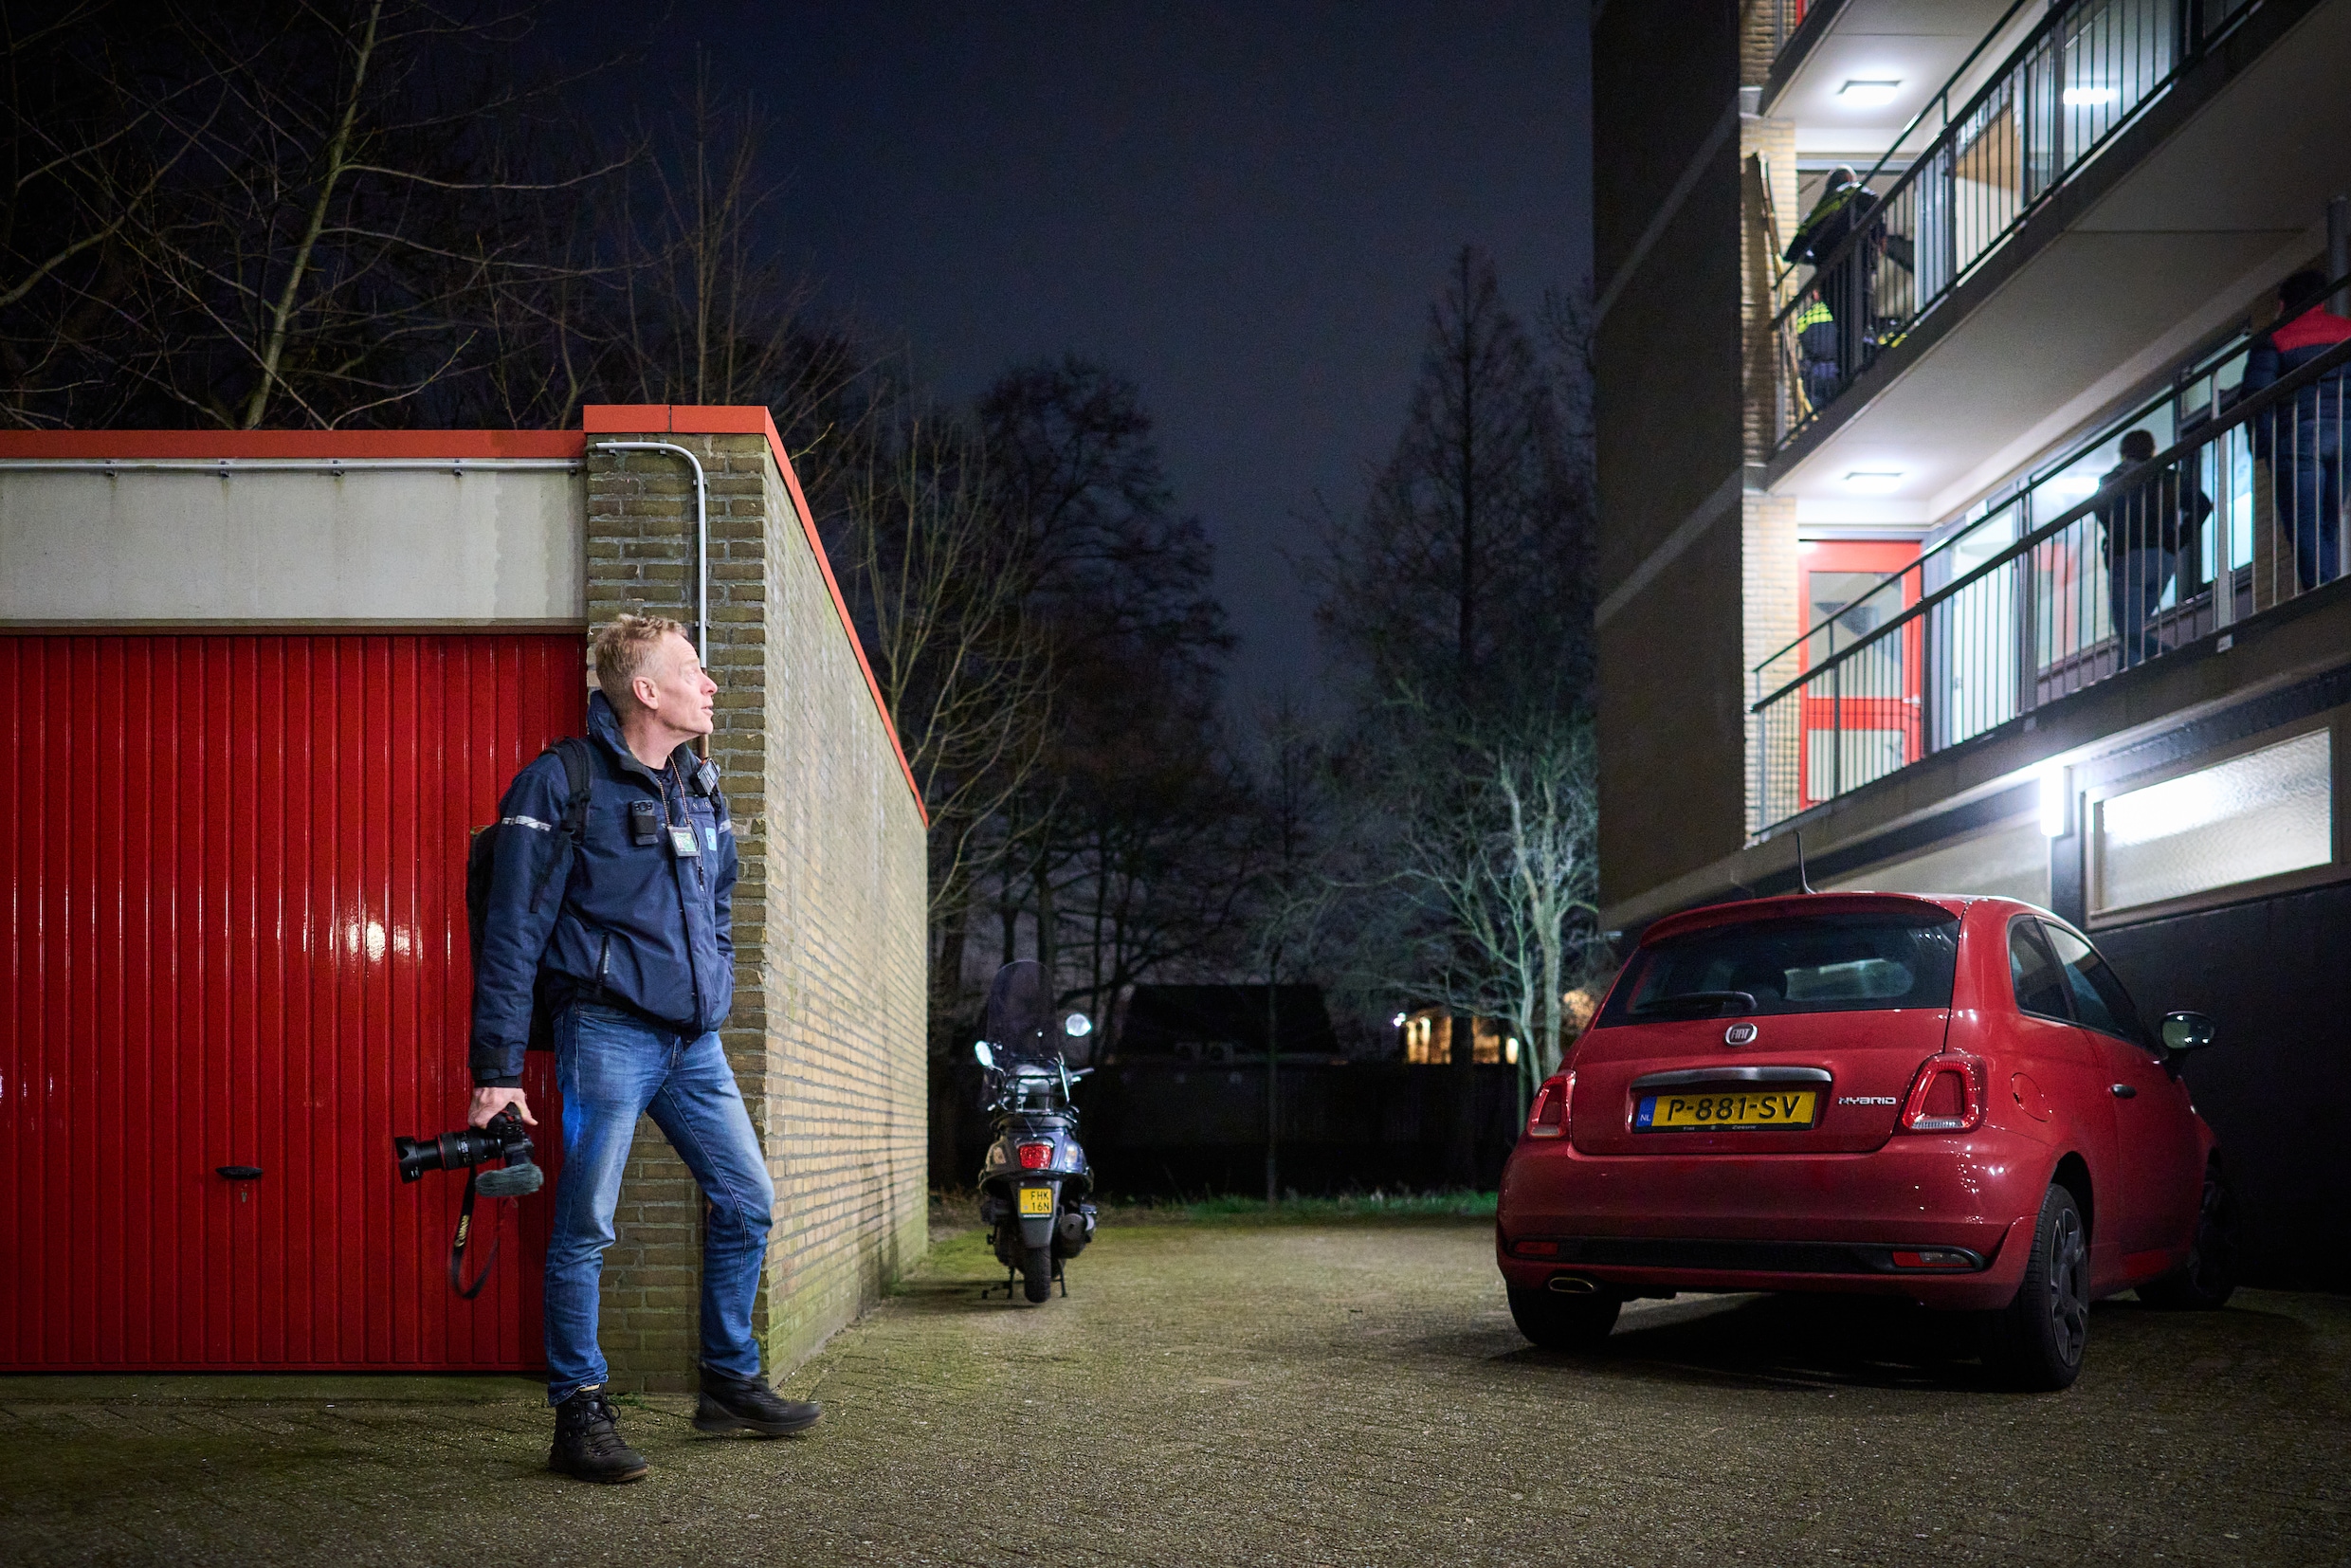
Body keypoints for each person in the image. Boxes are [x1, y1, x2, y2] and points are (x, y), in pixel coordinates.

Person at [469, 613, 817, 1485]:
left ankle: (730, 1378)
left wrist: (719, 986)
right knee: (586, 1226)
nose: (710, 685)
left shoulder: (698, 787)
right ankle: (577, 1412)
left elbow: (721, 907)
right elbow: (512, 933)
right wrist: (497, 1075)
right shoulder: (561, 785)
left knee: (748, 1201)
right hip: (609, 1032)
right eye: (693, 670)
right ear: (647, 691)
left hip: (692, 1046)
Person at [2241, 269, 2351, 591]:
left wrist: (2264, 448)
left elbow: (2257, 396)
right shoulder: (2346, 330)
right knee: (2329, 517)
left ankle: (2320, 591)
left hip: (2299, 437)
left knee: (2305, 521)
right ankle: (2328, 586)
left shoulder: (2276, 336)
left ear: (2283, 302)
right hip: (2346, 436)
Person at [2092, 428, 2212, 669]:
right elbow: (2202, 505)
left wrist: (2116, 539)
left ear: (2124, 453)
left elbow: (2102, 512)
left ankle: (2176, 659)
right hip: (2163, 560)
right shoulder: (2169, 478)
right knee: (2134, 631)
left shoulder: (2112, 480)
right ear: (2152, 451)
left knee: (2129, 632)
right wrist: (2176, 540)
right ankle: (2126, 682)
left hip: (2128, 559)